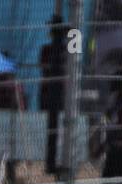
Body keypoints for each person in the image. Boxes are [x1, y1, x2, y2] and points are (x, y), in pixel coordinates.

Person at [38, 17, 67, 175]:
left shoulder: (51, 49)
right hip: (56, 93)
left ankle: (53, 163)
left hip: (53, 92)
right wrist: (74, 32)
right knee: (58, 129)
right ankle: (54, 163)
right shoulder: (57, 49)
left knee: (55, 129)